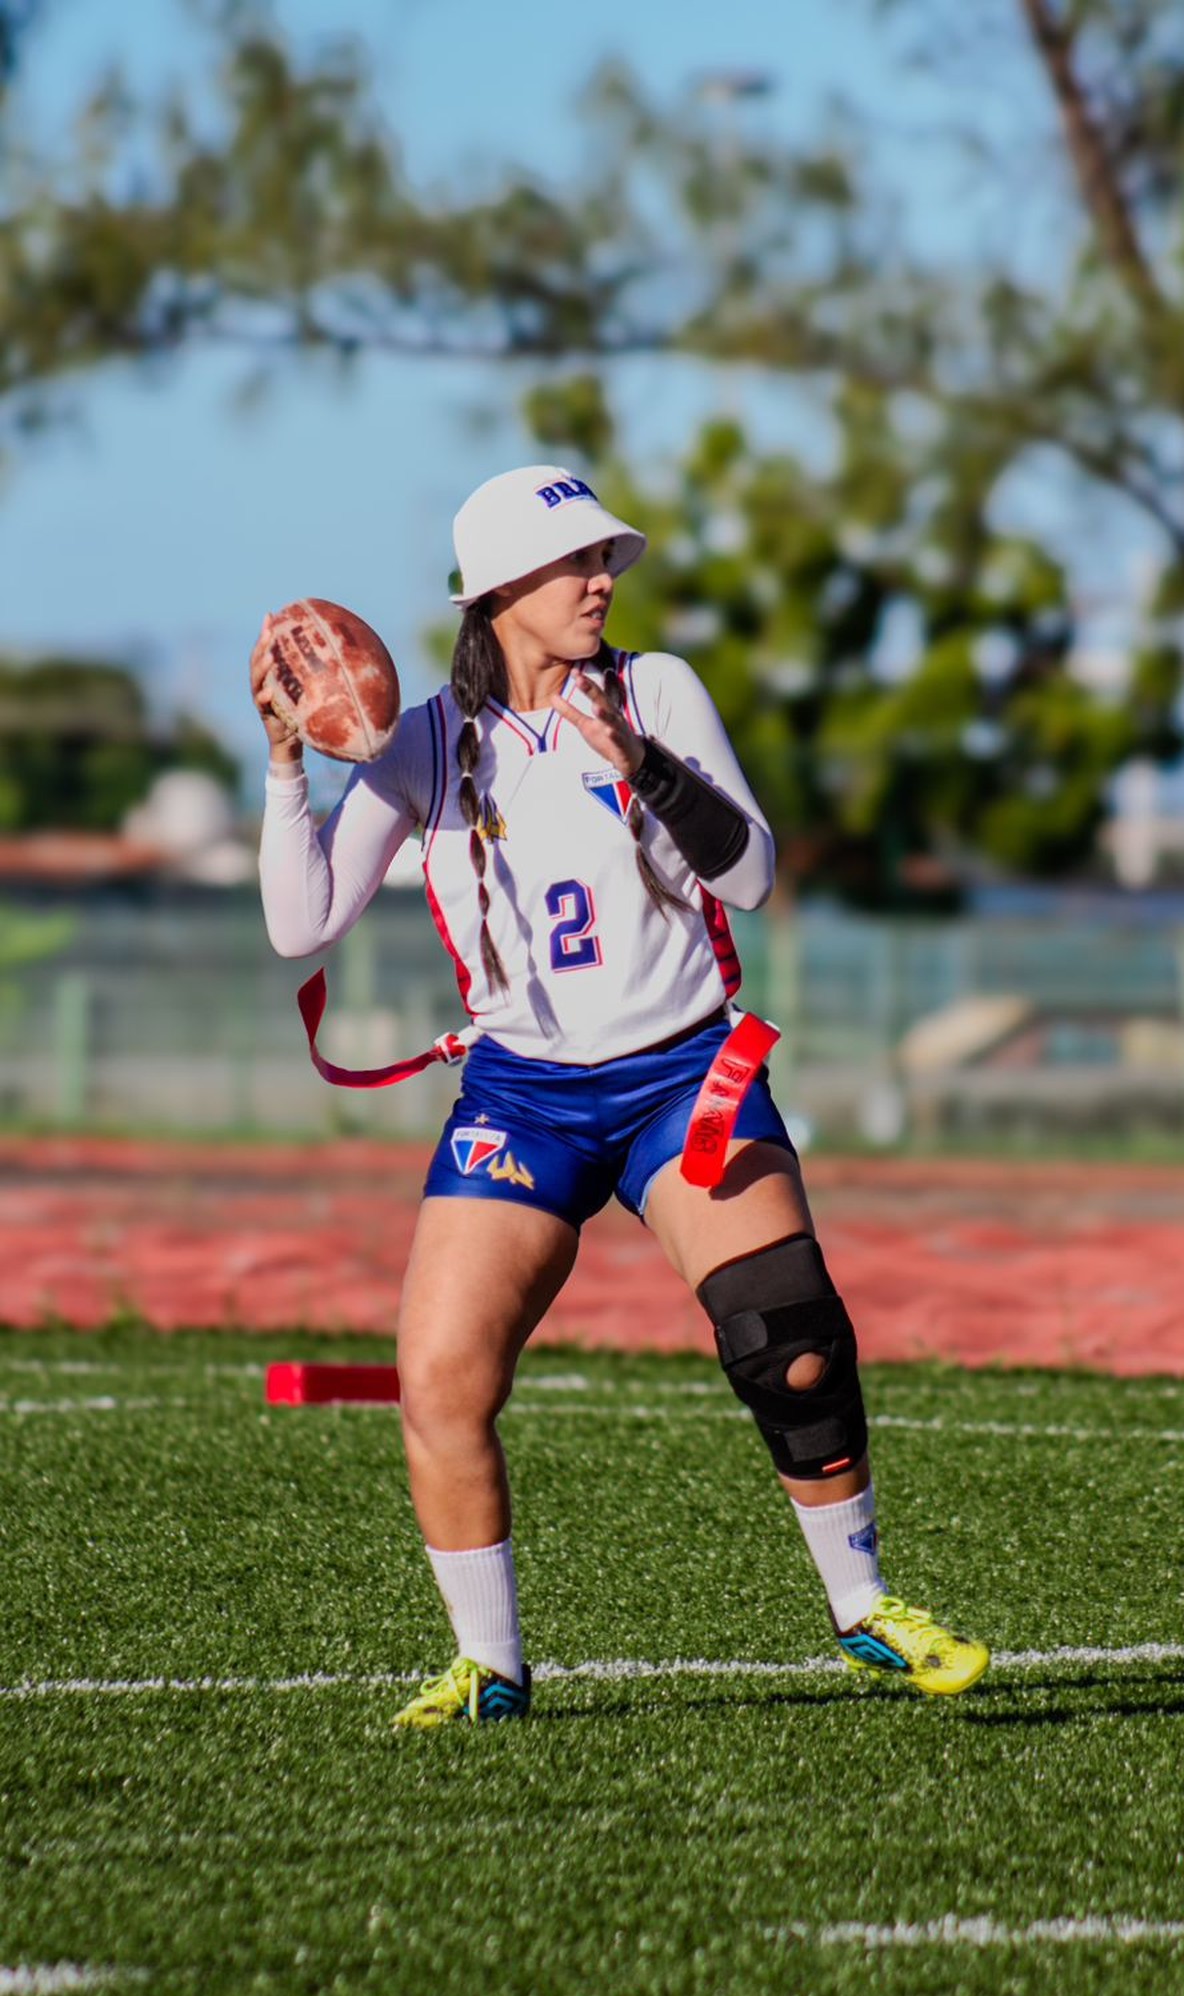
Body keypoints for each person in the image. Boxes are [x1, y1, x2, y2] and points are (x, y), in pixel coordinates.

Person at [253, 463, 988, 1730]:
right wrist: (283, 769)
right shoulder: (425, 739)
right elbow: (299, 922)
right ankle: (490, 1668)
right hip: (523, 1093)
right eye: (576, 561)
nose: (603, 579)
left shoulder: (657, 690)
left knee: (791, 1341)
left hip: (681, 1073)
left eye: (607, 559)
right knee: (438, 1377)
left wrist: (645, 767)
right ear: (498, 592)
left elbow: (750, 877)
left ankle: (867, 1613)